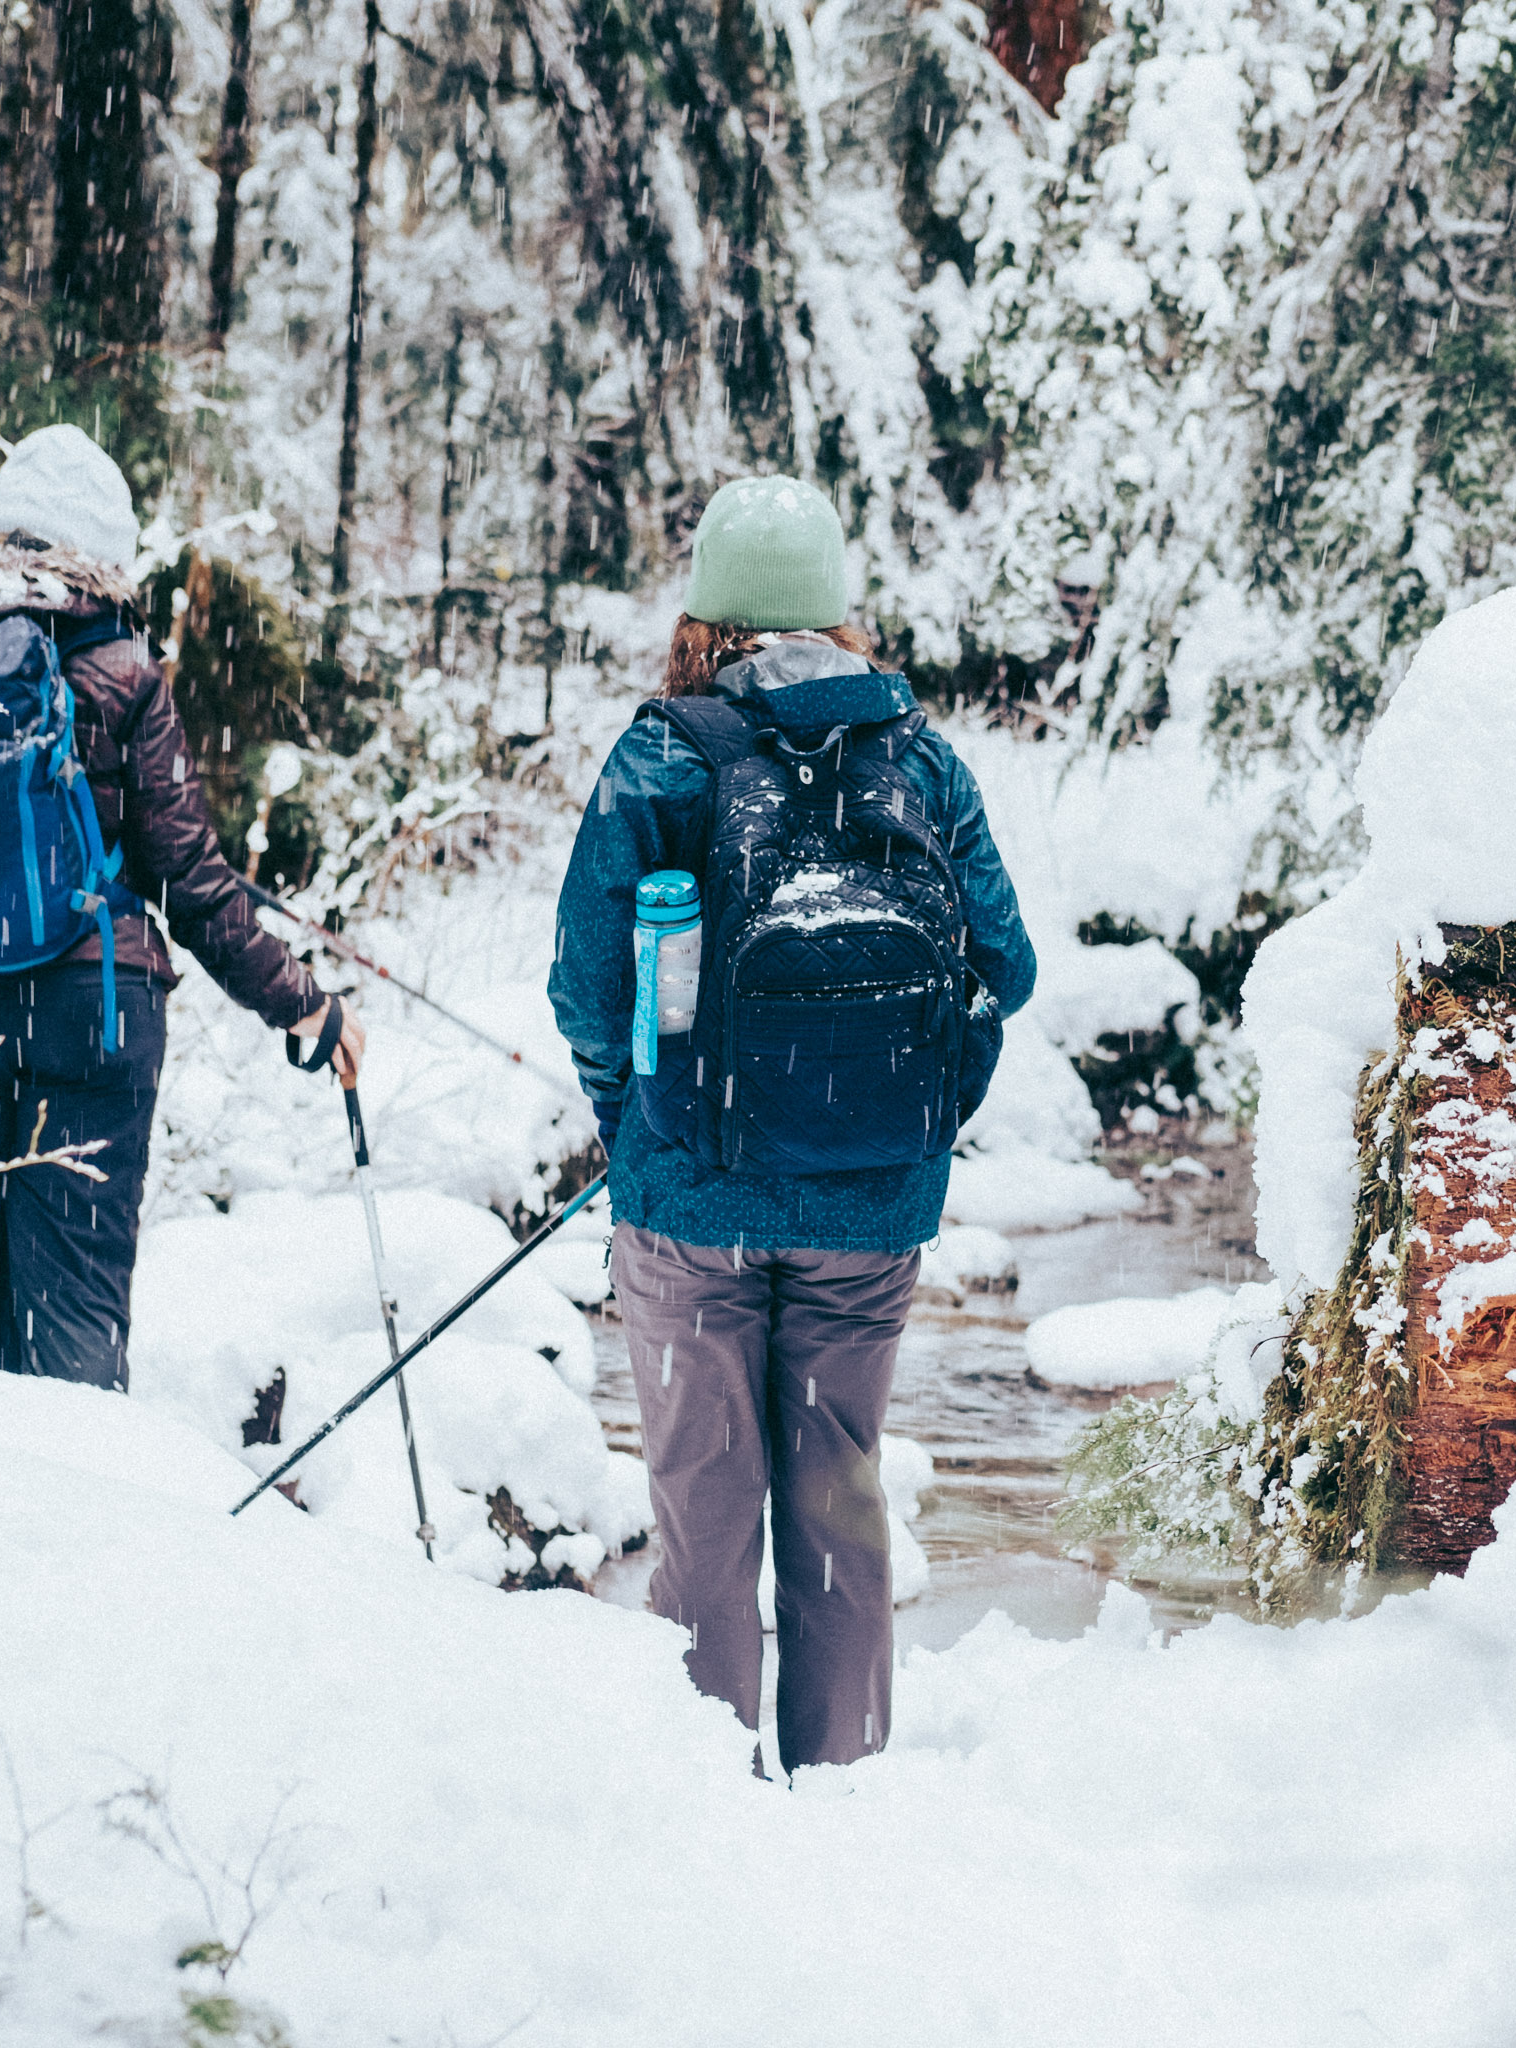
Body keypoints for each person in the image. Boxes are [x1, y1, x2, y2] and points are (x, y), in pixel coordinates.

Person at [549, 475, 1038, 1774]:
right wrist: (918, 1117)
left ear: (708, 616)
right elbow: (1008, 970)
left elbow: (584, 989)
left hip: (688, 1209)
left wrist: (639, 1123)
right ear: (841, 617)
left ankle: (715, 1808)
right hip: (871, 1214)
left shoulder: (667, 751)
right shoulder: (920, 758)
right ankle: (847, 1801)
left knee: (704, 1525)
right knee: (840, 1504)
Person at [0, 425, 360, 1390]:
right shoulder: (121, 668)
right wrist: (304, 1004)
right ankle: (80, 1514)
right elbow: (193, 882)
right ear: (103, 554)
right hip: (91, 1005)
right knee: (74, 1310)